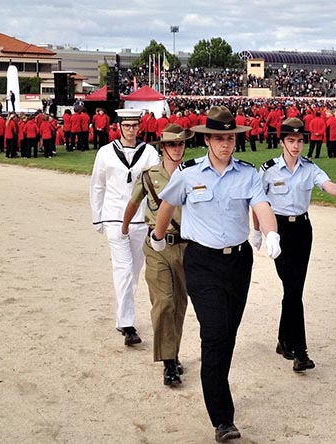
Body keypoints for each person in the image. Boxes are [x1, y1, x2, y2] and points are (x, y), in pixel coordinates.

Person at [150, 106, 281, 442]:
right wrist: (158, 236)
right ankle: (222, 418)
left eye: (230, 138)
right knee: (216, 332)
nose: (226, 144)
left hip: (237, 262)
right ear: (207, 139)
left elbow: (262, 206)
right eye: (219, 138)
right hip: (202, 262)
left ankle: (217, 384)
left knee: (228, 334)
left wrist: (272, 234)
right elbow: (167, 204)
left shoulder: (247, 174)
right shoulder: (189, 173)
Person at [252, 117, 336, 373]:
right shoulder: (268, 169)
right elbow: (257, 202)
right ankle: (300, 351)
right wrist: (257, 231)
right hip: (278, 229)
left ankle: (283, 340)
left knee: (294, 289)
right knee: (292, 287)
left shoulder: (309, 167)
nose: (296, 146)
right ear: (282, 142)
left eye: (300, 141)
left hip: (302, 229)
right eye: (291, 140)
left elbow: (326, 184)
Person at [122, 124, 194, 387]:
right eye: (171, 144)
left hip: (187, 246)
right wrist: (124, 226)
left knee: (179, 303)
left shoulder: (194, 174)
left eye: (180, 143)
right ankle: (168, 362)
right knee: (163, 302)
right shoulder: (149, 176)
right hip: (157, 246)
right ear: (162, 147)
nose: (177, 148)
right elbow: (134, 202)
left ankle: (173, 352)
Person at [90, 108, 160, 346]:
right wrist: (97, 216)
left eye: (134, 126)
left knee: (134, 271)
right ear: (119, 126)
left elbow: (155, 186)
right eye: (127, 126)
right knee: (124, 268)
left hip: (140, 219)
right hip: (114, 217)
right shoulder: (105, 152)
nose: (131, 130)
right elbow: (97, 185)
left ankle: (123, 317)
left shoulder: (149, 152)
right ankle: (128, 324)